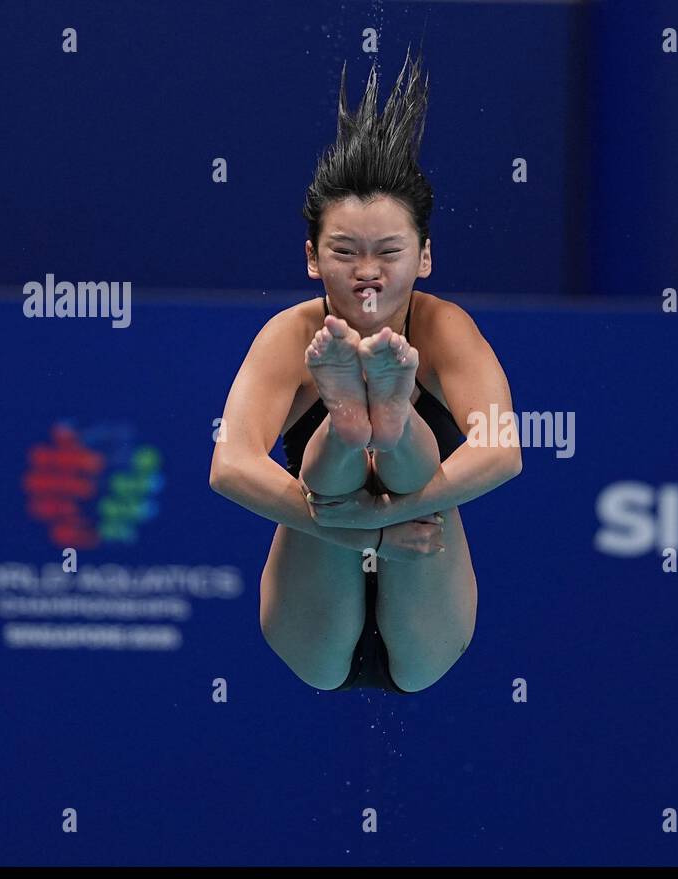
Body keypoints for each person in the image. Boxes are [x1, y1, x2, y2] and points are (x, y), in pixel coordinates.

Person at [210, 49, 522, 694]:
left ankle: (386, 414)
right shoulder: (291, 336)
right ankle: (355, 421)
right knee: (335, 460)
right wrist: (357, 527)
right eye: (344, 251)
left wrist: (374, 519)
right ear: (311, 257)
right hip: (315, 595)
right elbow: (230, 465)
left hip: (423, 593)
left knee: (407, 457)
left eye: (389, 251)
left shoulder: (443, 328)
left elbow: (502, 448)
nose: (367, 271)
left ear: (425, 257)